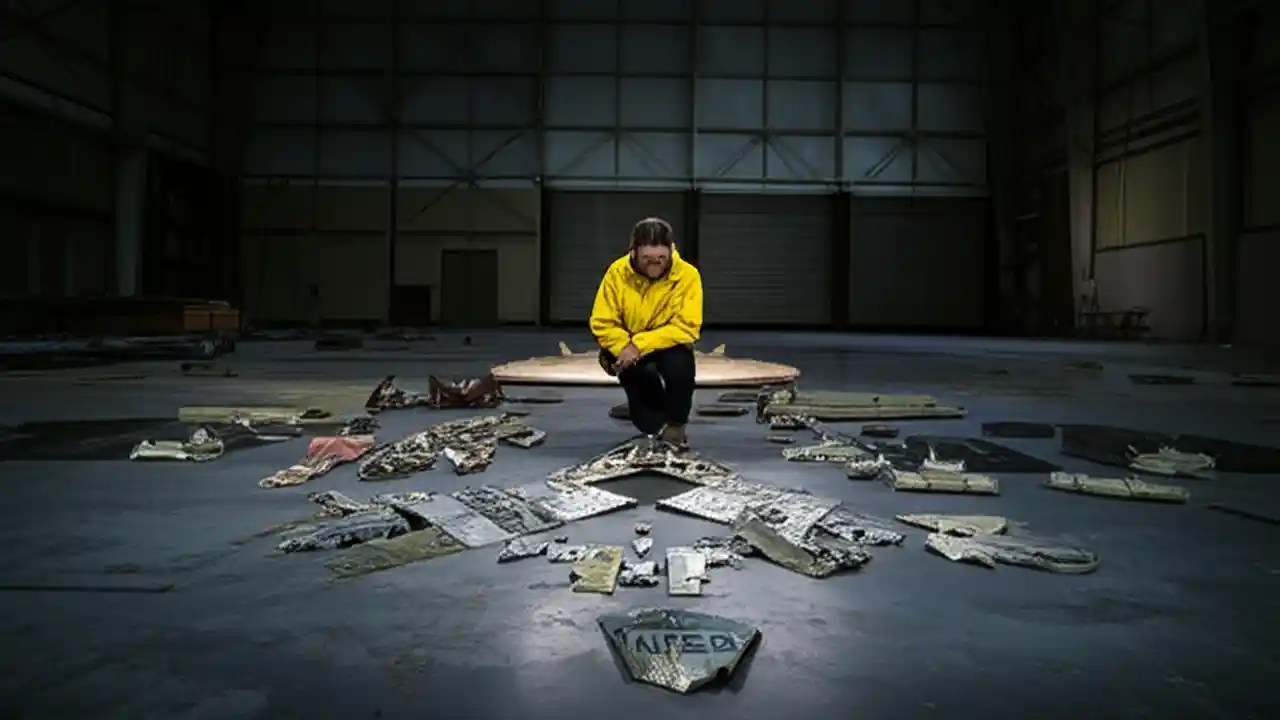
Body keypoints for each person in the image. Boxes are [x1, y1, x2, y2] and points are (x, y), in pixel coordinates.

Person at [589, 216, 703, 448]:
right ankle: (653, 421)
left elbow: (687, 326)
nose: (655, 264)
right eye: (647, 259)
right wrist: (624, 347)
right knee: (647, 416)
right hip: (623, 343)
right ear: (634, 252)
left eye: (662, 258)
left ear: (671, 252)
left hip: (666, 343)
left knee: (681, 365)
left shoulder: (688, 275)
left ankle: (676, 425)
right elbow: (602, 321)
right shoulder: (616, 273)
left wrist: (640, 344)